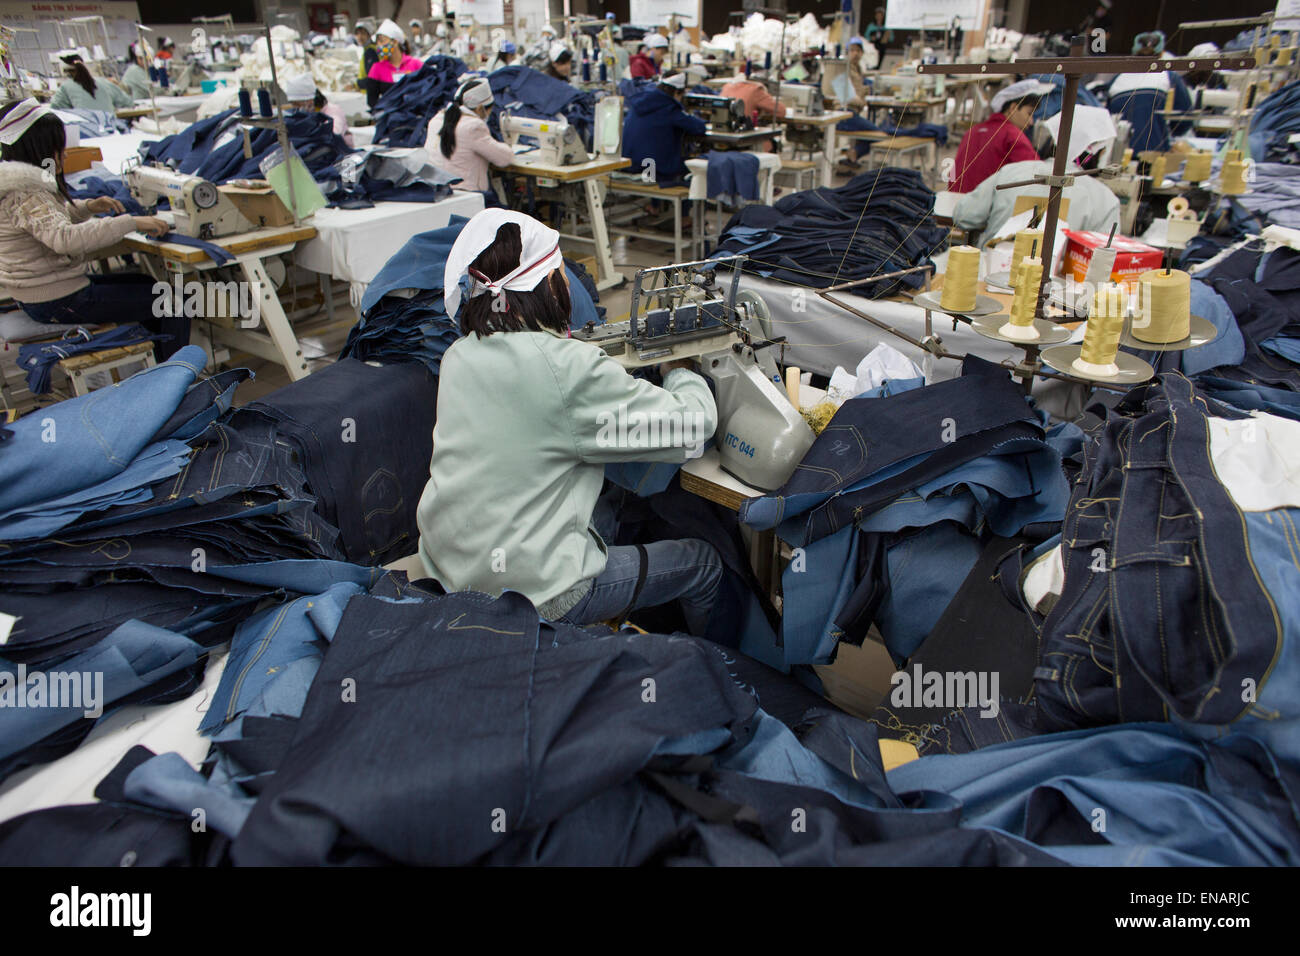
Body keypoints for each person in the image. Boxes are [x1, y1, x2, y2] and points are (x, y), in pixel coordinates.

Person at [416, 208, 722, 634]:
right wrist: (681, 368)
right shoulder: (566, 369)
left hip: (452, 565)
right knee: (704, 563)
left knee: (611, 496)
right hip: (537, 596)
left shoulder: (459, 355)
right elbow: (692, 427)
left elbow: (544, 406)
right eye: (562, 274)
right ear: (549, 285)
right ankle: (706, 669)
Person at [0, 99, 185, 359]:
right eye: (57, 147)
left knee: (144, 283)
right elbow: (65, 239)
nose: (63, 154)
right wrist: (131, 222)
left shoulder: (17, 188)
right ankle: (175, 378)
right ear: (37, 149)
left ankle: (159, 362)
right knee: (173, 303)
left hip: (41, 296)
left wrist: (88, 207)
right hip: (58, 301)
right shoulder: (27, 194)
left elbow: (47, 222)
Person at [952, 155, 1120, 248]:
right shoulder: (1104, 197)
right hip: (1059, 294)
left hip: (987, 275)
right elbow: (1105, 255)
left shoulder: (1011, 172)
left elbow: (964, 216)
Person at [948, 79, 1048, 193]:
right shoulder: (1012, 135)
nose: (1031, 122)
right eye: (1029, 114)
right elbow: (1038, 175)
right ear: (1013, 108)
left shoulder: (972, 131)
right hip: (985, 207)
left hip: (955, 202)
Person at [427, 77, 513, 201]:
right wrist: (509, 147)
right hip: (466, 195)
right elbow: (505, 159)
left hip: (435, 191)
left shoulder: (437, 119)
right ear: (480, 108)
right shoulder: (473, 126)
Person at [621, 73, 705, 186]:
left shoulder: (639, 103)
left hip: (630, 164)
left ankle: (656, 204)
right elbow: (699, 128)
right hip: (653, 169)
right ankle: (690, 203)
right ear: (676, 93)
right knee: (697, 166)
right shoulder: (670, 108)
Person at [284, 73, 353, 147]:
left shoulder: (333, 112)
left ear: (310, 101)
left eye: (297, 104)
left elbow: (334, 133)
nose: (295, 108)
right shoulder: (303, 116)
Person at [366, 20, 424, 108]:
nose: (379, 46)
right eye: (377, 43)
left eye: (382, 41)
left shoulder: (416, 65)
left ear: (395, 42)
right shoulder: (376, 69)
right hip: (390, 118)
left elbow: (426, 92)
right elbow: (372, 101)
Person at [50, 54, 132, 112]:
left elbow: (55, 108)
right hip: (110, 127)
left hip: (87, 131)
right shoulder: (104, 82)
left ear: (65, 71)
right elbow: (127, 102)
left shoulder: (65, 86)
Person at [354, 21, 379, 85]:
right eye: (357, 34)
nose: (359, 37)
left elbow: (372, 79)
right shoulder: (366, 50)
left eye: (363, 33)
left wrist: (356, 84)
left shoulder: (370, 52)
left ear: (369, 35)